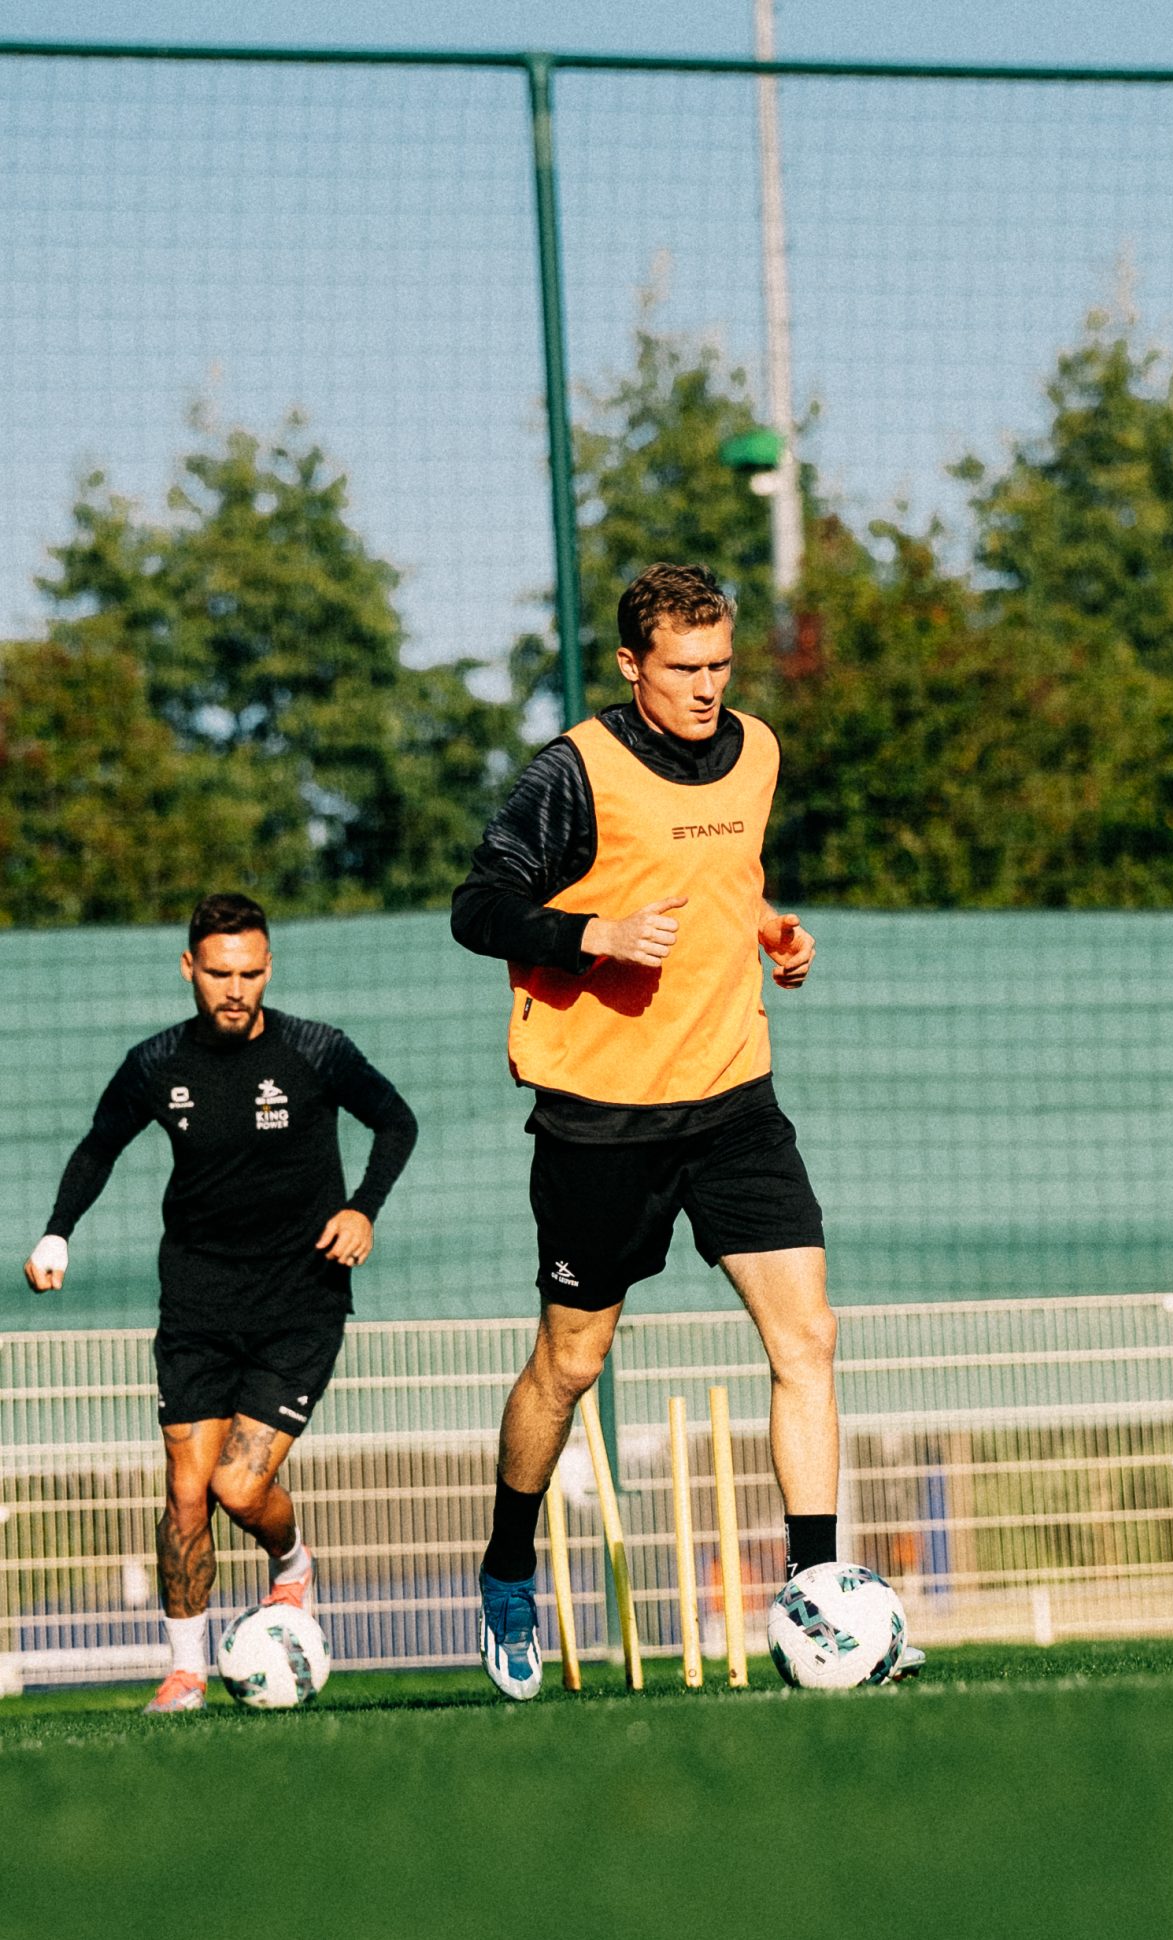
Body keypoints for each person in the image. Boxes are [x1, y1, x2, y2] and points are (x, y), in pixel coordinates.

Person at [453, 560, 921, 1697]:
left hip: (733, 1101)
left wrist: (771, 931)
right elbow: (478, 906)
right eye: (683, 668)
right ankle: (508, 1567)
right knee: (572, 1361)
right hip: (601, 1117)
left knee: (808, 1340)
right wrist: (591, 933)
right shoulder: (577, 771)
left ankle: (817, 1598)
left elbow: (724, 875)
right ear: (631, 665)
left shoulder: (756, 750)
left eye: (720, 664)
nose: (708, 687)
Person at [23, 893, 418, 1712]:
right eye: (217, 974)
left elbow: (396, 1122)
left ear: (268, 968)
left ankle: (292, 1563)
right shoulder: (156, 1064)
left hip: (298, 1300)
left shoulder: (316, 1050)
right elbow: (99, 1146)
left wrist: (362, 1209)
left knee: (238, 1490)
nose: (234, 990)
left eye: (249, 973)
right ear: (188, 969)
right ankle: (185, 1673)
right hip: (197, 1304)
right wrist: (58, 1231)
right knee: (186, 1491)